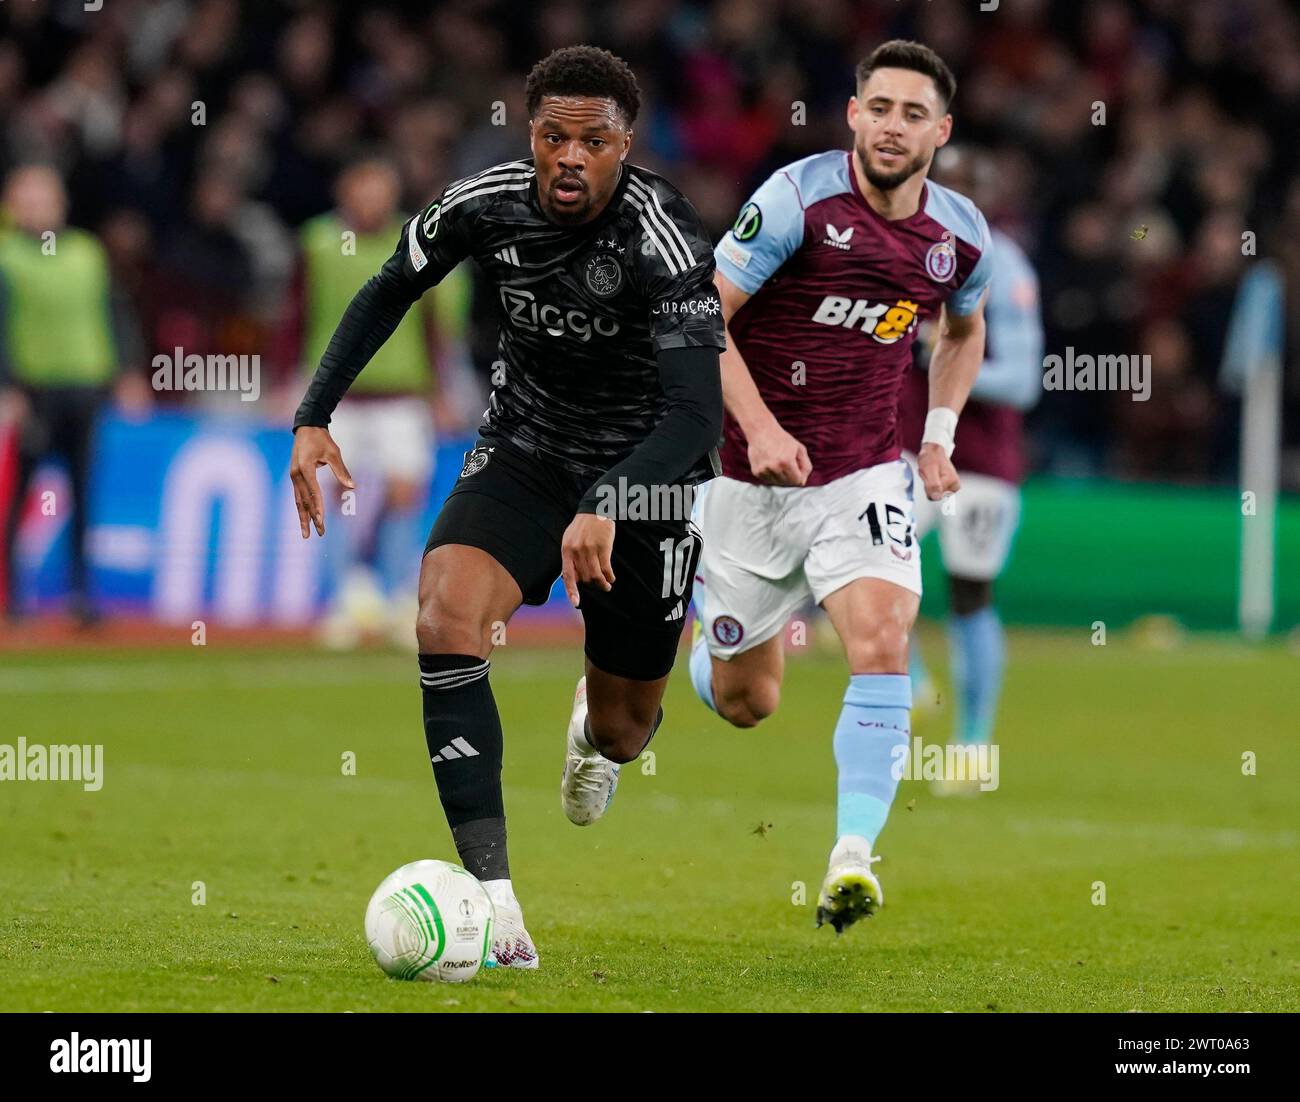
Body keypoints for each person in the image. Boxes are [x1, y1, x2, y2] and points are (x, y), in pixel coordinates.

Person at [289, 46, 724, 967]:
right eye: (553, 136)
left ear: (623, 145)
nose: (571, 156)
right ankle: (497, 905)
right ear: (531, 134)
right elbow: (388, 289)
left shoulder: (665, 235)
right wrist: (312, 415)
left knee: (626, 726)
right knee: (444, 612)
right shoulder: (480, 203)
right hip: (525, 450)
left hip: (647, 477)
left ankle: (591, 733)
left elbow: (696, 411)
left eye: (593, 140)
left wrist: (612, 497)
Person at [688, 40, 990, 932]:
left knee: (883, 635)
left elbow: (962, 334)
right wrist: (763, 427)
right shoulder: (795, 201)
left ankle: (851, 855)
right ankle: (703, 646)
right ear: (853, 114)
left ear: (941, 129)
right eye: (879, 108)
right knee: (751, 701)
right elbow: (705, 313)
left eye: (912, 113)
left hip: (863, 472)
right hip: (751, 482)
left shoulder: (960, 237)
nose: (893, 126)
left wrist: (936, 437)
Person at [899, 146, 1044, 793]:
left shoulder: (1005, 265)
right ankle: (911, 688)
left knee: (968, 594)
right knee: (852, 565)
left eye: (963, 188)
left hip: (978, 462)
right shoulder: (903, 253)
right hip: (901, 448)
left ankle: (972, 745)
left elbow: (1022, 381)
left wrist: (947, 358)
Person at [281, 158, 459, 648]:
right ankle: (345, 599)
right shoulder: (317, 242)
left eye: (380, 189)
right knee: (337, 495)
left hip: (402, 392)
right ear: (345, 190)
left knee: (406, 490)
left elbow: (431, 325)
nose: (371, 200)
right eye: (363, 189)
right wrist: (288, 380)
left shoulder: (414, 238)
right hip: (337, 397)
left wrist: (440, 392)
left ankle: (401, 598)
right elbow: (296, 312)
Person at [0, 165, 127, 626]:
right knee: (20, 494)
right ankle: (13, 596)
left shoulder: (87, 253)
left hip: (85, 386)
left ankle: (80, 595)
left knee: (83, 493)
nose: (36, 205)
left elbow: (113, 309)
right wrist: (9, 384)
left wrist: (128, 368)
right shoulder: (7, 255)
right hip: (34, 390)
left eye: (43, 195)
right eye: (26, 196)